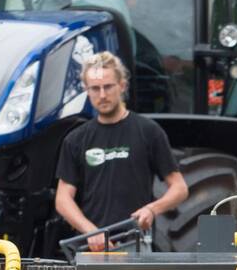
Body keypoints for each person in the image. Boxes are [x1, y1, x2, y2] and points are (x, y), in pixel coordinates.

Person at [55, 51, 189, 251]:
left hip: (134, 244)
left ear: (122, 86)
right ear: (87, 91)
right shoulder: (75, 140)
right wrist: (91, 231)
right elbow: (62, 199)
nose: (102, 95)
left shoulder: (148, 131)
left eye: (108, 86)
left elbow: (180, 188)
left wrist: (152, 209)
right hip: (92, 248)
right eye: (95, 88)